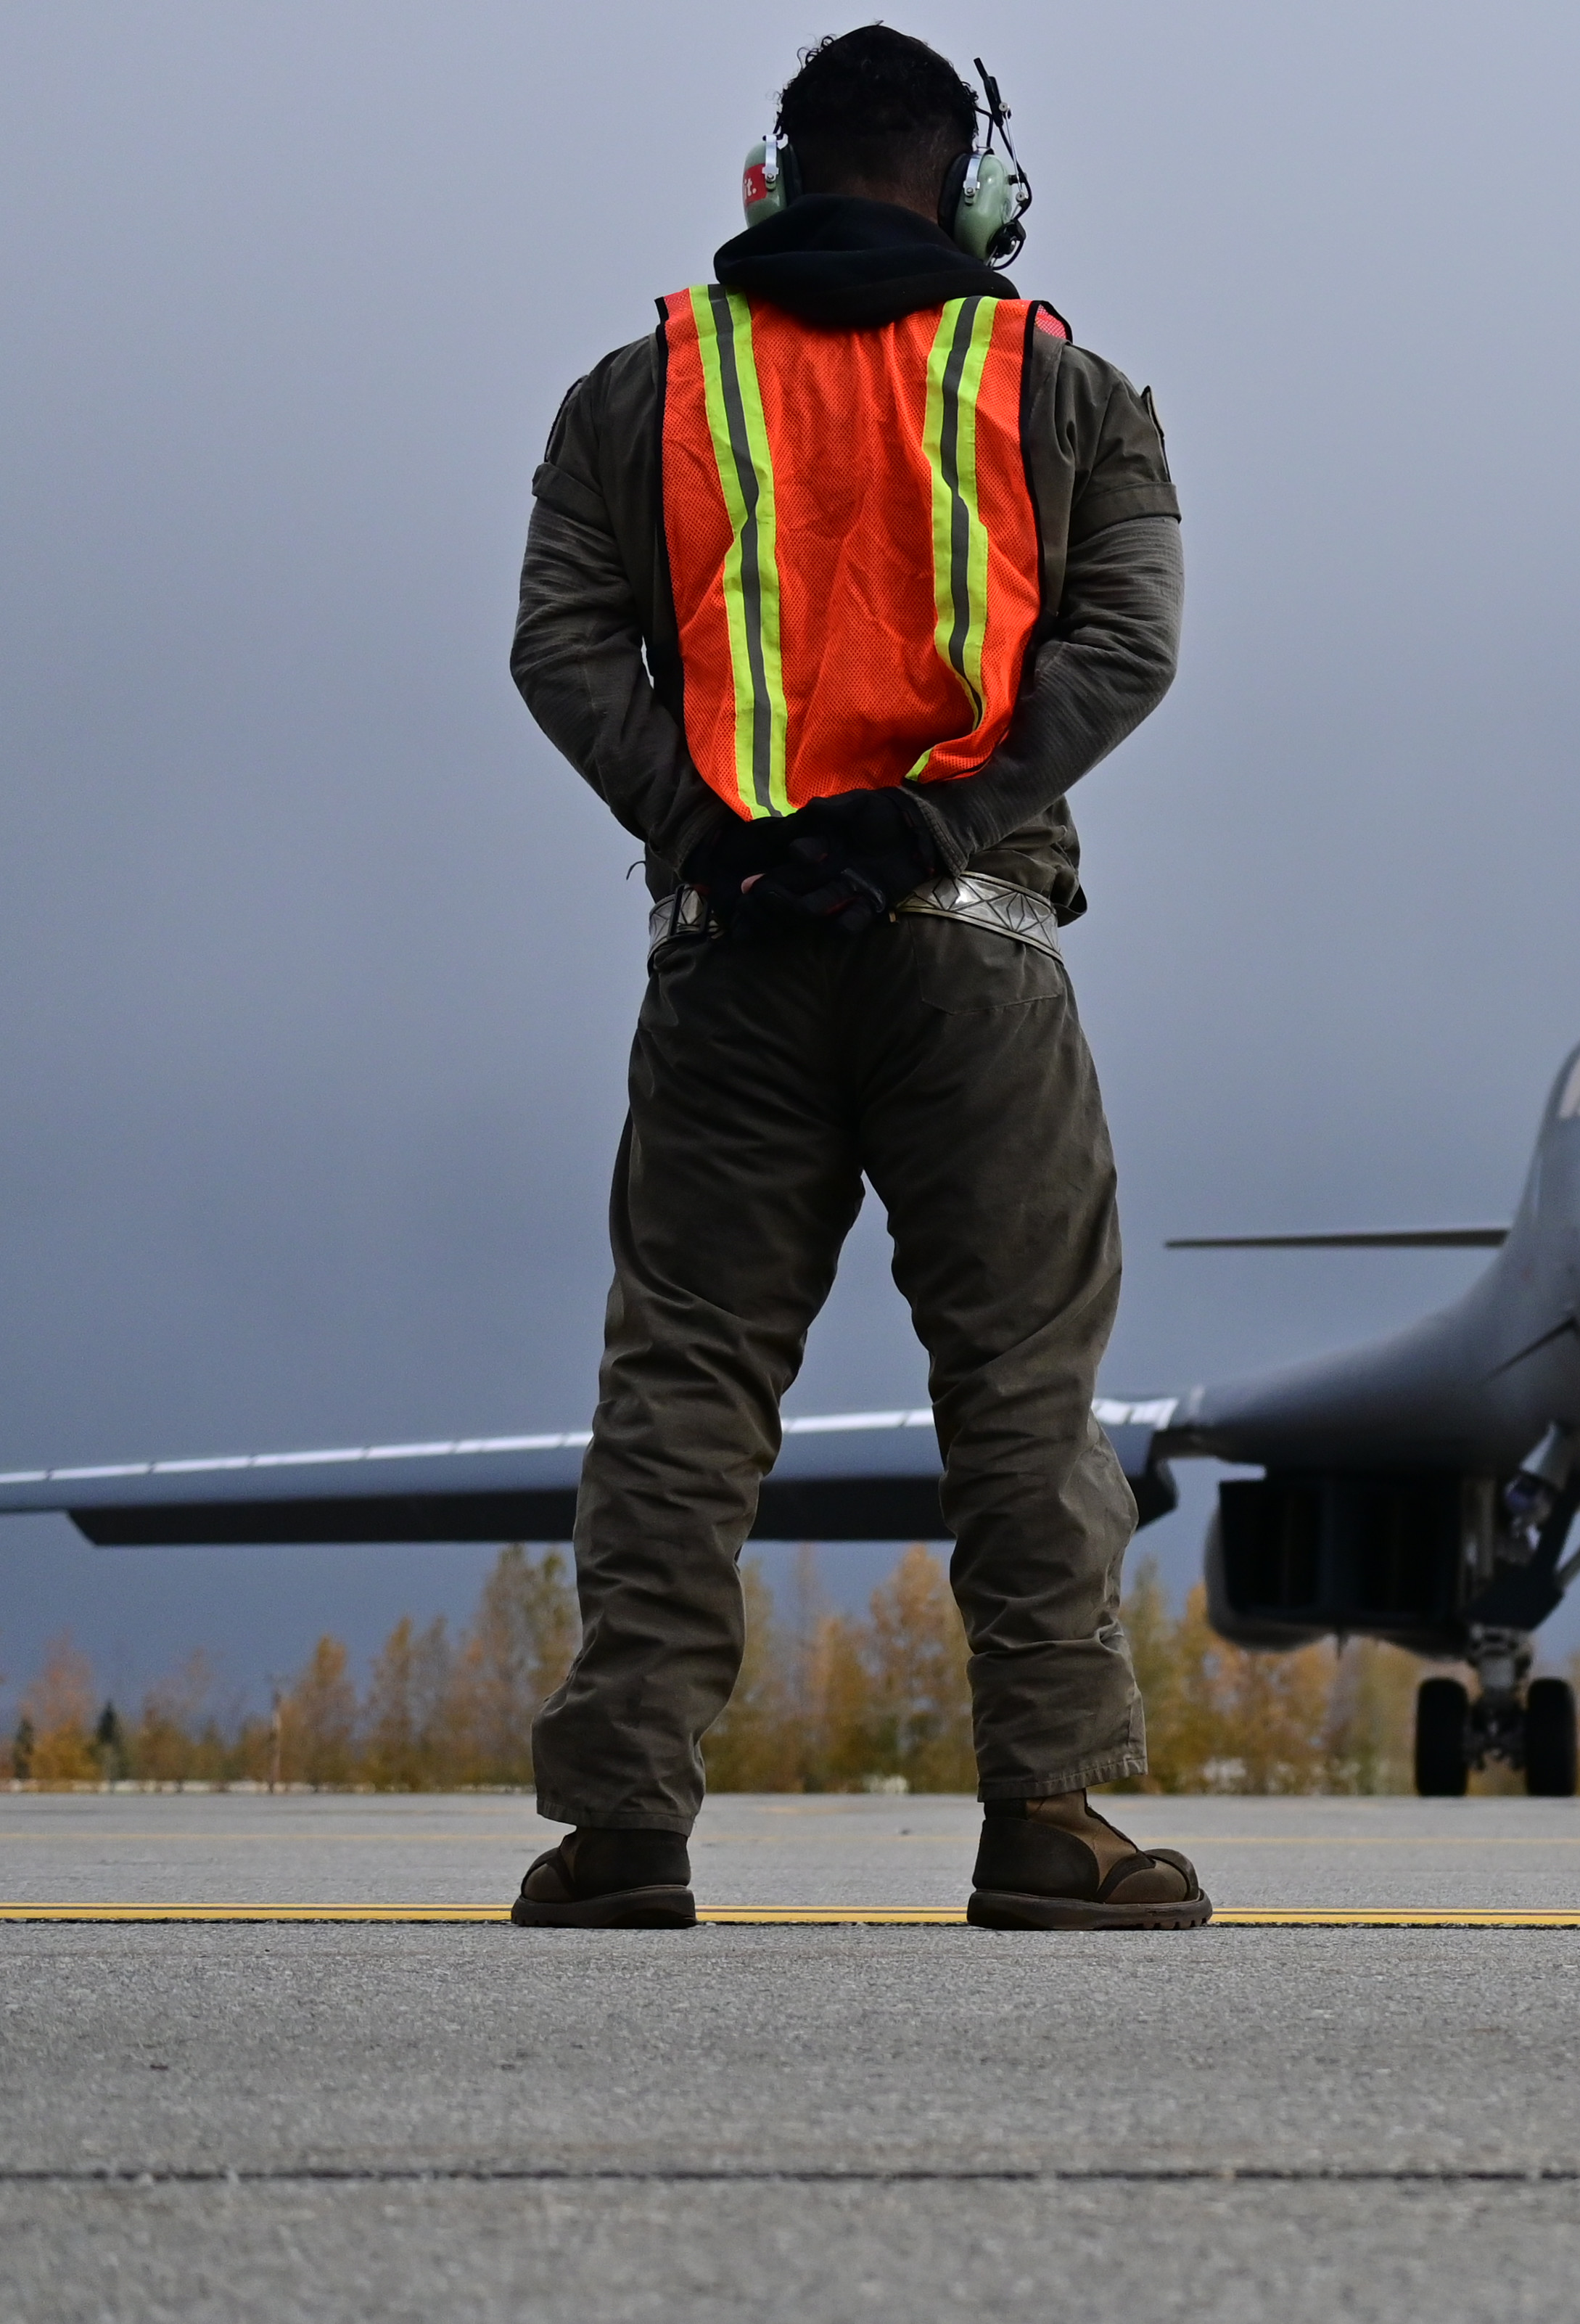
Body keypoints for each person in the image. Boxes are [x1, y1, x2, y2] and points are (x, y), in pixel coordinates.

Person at [505, 27, 1198, 1929]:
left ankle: (624, 1826)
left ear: (771, 180)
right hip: (969, 959)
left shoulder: (637, 393)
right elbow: (1124, 649)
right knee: (1022, 1395)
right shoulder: (1066, 391)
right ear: (975, 191)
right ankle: (1046, 1816)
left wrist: (713, 828)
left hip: (725, 960)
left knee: (684, 1384)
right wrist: (931, 826)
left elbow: (559, 648)